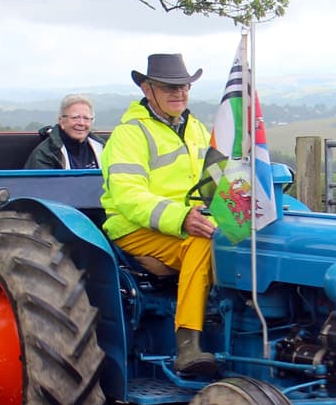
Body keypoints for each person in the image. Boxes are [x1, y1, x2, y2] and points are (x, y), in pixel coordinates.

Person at [100, 53, 217, 375]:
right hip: (136, 227)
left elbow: (217, 179)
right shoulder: (129, 134)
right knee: (204, 243)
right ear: (147, 88)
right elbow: (129, 197)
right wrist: (181, 219)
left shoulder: (196, 129)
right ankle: (188, 345)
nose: (179, 93)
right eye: (169, 87)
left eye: (185, 86)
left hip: (191, 220)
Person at [25, 94, 104, 169]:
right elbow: (40, 183)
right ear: (61, 121)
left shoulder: (102, 148)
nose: (81, 123)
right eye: (75, 117)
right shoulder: (45, 155)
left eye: (86, 118)